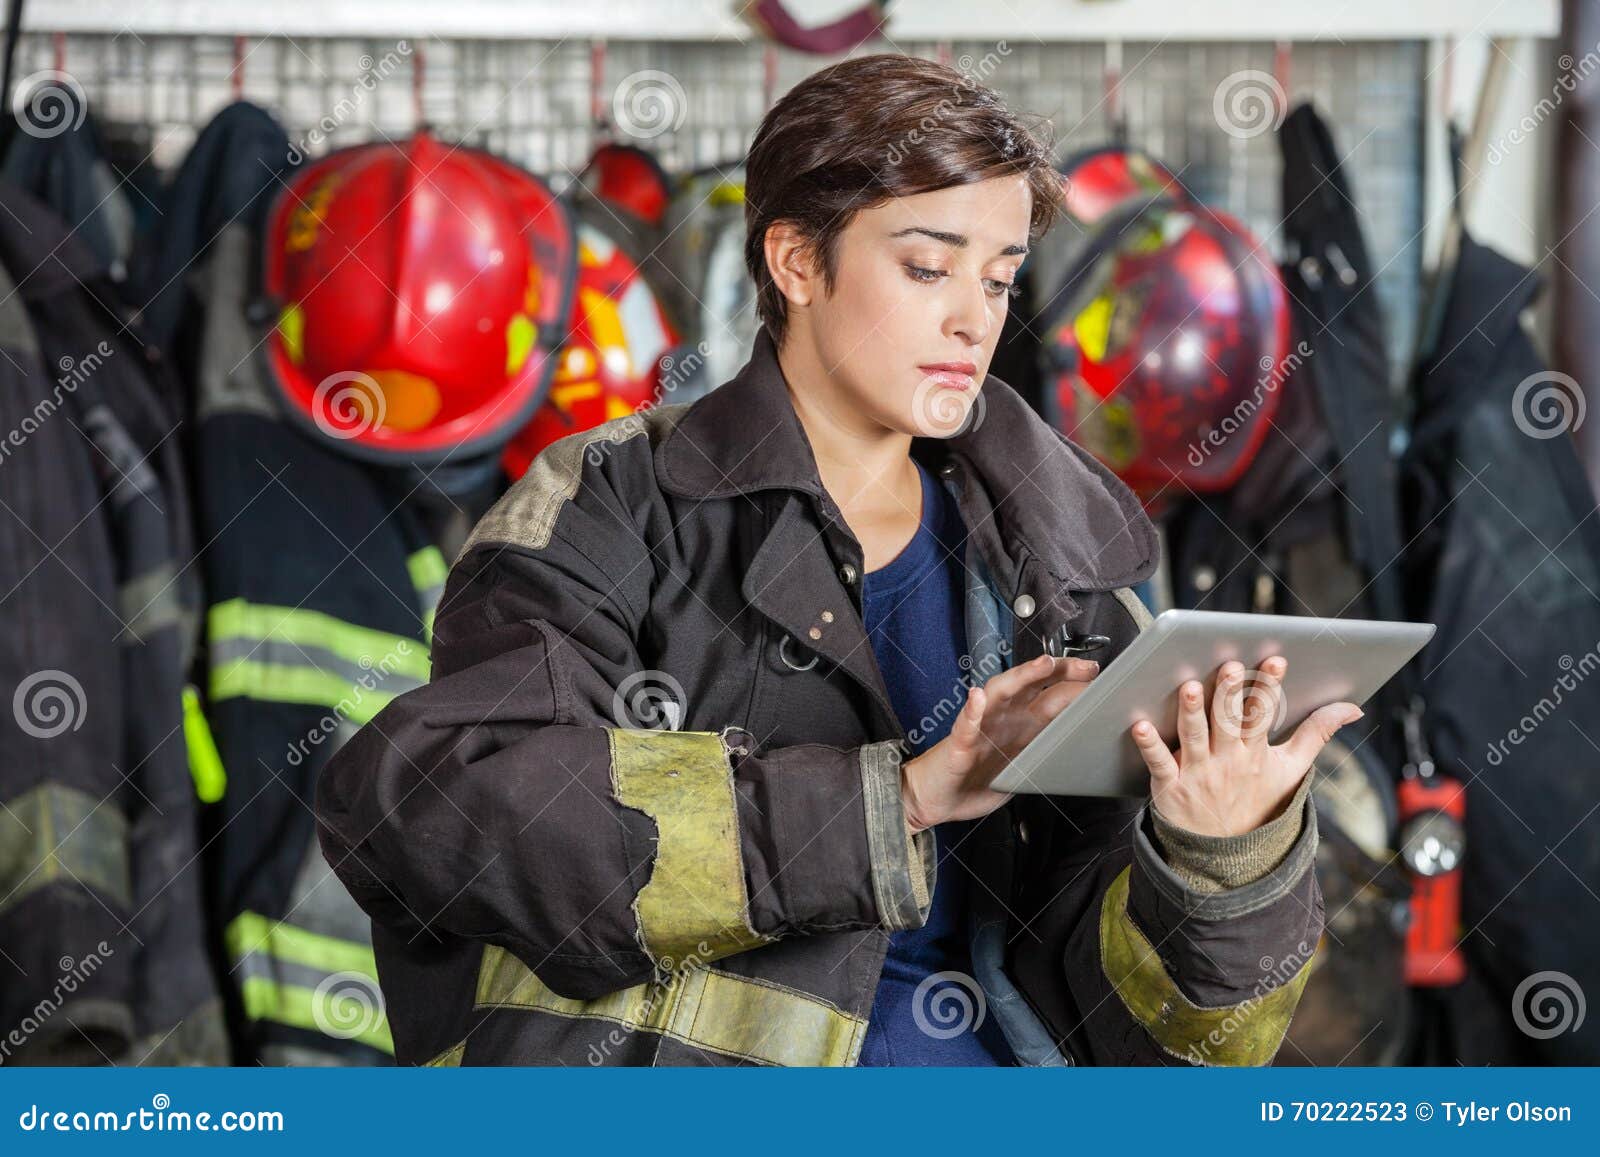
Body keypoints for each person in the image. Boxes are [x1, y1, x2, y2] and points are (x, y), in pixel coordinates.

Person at [315, 52, 1359, 1067]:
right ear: (796, 261)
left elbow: (1185, 1048)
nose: (972, 318)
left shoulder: (1063, 558)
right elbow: (442, 808)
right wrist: (894, 800)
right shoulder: (617, 506)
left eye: (997, 280)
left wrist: (1221, 855)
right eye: (925, 266)